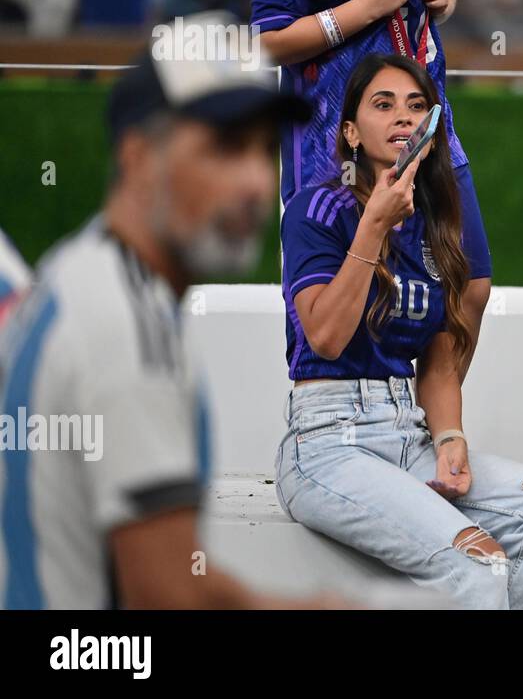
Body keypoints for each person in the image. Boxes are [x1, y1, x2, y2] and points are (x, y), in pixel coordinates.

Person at [0, 35, 320, 608]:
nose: (254, 181)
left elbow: (168, 568)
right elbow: (168, 599)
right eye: (225, 147)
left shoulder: (82, 273)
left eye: (262, 148)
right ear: (138, 158)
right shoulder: (127, 332)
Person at [278, 52, 523, 609]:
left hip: (409, 434)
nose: (404, 117)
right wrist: (373, 224)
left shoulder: (434, 220)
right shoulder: (317, 208)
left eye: (417, 106)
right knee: (479, 564)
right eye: (383, 104)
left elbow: (441, 359)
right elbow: (325, 336)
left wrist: (450, 438)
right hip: (328, 444)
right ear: (350, 131)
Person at [250, 0, 492, 380]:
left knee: (471, 283)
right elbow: (269, 40)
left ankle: (432, 425)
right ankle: (330, 429)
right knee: (344, 293)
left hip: (428, 130)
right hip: (337, 144)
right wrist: (358, 12)